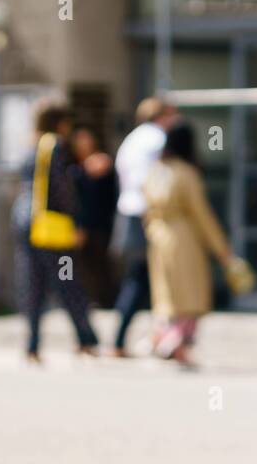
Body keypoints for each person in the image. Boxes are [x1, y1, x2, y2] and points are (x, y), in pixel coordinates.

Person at [142, 120, 242, 369]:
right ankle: (175, 343)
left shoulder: (156, 170)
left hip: (158, 236)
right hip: (184, 238)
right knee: (190, 296)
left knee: (168, 296)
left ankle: (162, 337)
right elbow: (201, 215)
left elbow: (147, 207)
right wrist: (222, 249)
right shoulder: (186, 173)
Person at [11, 96, 101, 363]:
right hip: (49, 224)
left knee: (33, 284)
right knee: (68, 281)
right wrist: (76, 222)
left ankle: (33, 345)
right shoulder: (55, 145)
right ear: (61, 122)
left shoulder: (30, 145)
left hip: (23, 220)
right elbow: (61, 188)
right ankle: (86, 339)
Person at [110, 97, 178, 357]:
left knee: (138, 278)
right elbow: (157, 179)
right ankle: (124, 340)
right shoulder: (156, 139)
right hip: (147, 214)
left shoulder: (132, 139)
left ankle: (137, 338)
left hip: (128, 211)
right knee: (147, 279)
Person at [68, 123, 119, 309]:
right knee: (82, 265)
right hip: (80, 223)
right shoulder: (72, 166)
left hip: (100, 222)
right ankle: (89, 299)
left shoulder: (103, 162)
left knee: (102, 263)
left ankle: (108, 300)